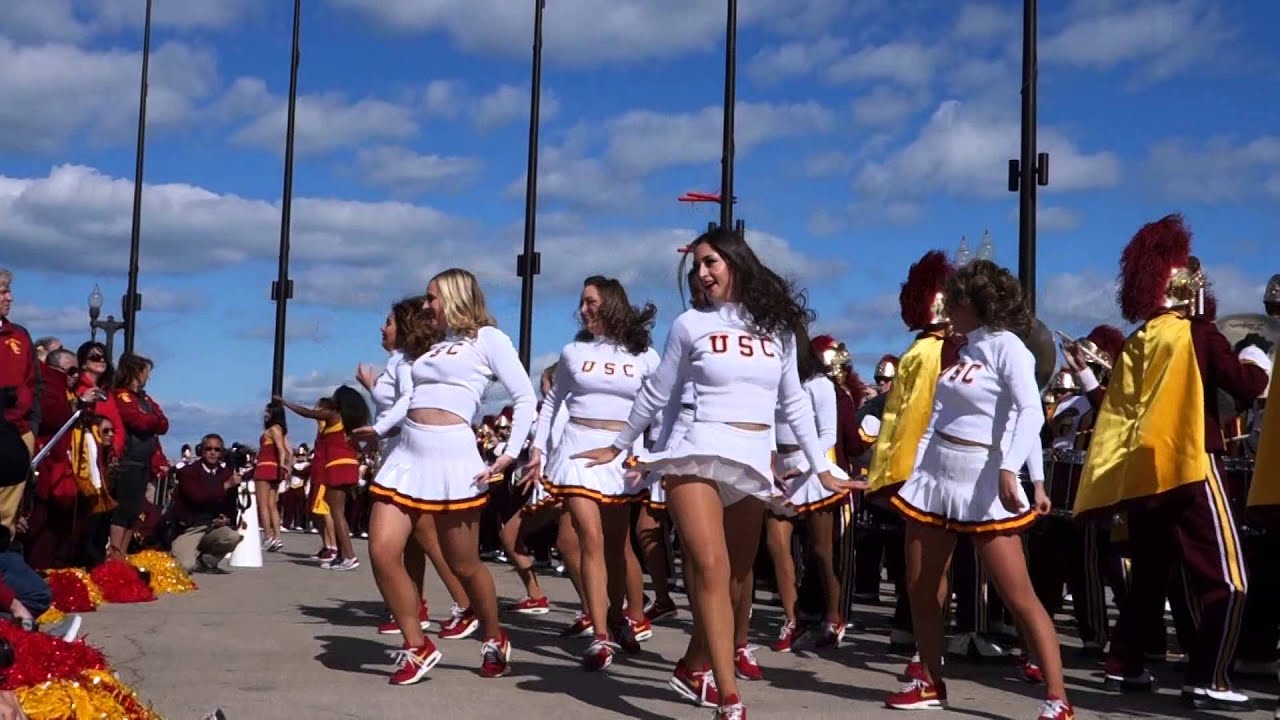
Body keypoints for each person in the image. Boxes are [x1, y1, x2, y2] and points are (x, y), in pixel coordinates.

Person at [576, 228, 854, 719]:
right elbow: (658, 392)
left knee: (735, 581)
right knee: (711, 568)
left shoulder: (777, 331)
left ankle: (692, 665)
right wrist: (620, 446)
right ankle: (728, 696)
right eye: (697, 266)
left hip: (750, 461)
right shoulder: (689, 325)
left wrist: (822, 466)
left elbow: (793, 402)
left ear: (737, 262)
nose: (702, 273)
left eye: (711, 262)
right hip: (696, 452)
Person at [1073, 215, 1269, 711]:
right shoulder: (1199, 334)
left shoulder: (1138, 340)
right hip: (1192, 462)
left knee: (1151, 575)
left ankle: (1126, 665)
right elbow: (1246, 386)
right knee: (1229, 578)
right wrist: (1255, 357)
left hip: (1146, 473)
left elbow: (1117, 412)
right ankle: (1209, 677)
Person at [885, 259, 1071, 720]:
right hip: (935, 477)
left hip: (983, 479)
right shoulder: (961, 350)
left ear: (972, 302)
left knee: (1018, 596)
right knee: (921, 588)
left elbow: (1029, 413)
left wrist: (1016, 473)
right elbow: (936, 419)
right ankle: (930, 681)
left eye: (954, 300)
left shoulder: (1009, 347)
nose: (947, 307)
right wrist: (915, 476)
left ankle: (1058, 698)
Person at [354, 268, 536, 685]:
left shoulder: (488, 339)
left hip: (454, 459)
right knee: (382, 551)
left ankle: (493, 636)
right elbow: (411, 399)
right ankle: (416, 645)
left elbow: (525, 397)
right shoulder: (431, 346)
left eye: (432, 297)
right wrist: (379, 429)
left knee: (464, 564)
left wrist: (510, 454)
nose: (426, 305)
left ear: (454, 297)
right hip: (407, 456)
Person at [523, 276, 660, 670]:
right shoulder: (573, 352)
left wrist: (654, 457)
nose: (583, 310)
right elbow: (553, 402)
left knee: (617, 545)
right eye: (582, 302)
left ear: (612, 304)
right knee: (590, 538)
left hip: (621, 455)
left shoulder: (645, 356)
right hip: (577, 451)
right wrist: (538, 448)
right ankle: (600, 635)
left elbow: (660, 409)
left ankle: (617, 617)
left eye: (591, 302)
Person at [356, 295, 471, 637]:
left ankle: (465, 605)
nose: (382, 328)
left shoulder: (407, 364)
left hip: (406, 454)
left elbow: (409, 402)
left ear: (405, 326)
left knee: (426, 537)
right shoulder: (398, 362)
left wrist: (378, 428)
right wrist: (372, 389)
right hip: (396, 451)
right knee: (414, 542)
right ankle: (417, 605)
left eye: (389, 322)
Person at [765, 326, 858, 653]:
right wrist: (771, 463)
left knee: (821, 552)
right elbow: (767, 425)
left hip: (812, 472)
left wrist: (805, 465)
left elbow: (828, 434)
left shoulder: (820, 384)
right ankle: (793, 619)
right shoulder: (772, 381)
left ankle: (834, 616)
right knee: (777, 545)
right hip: (779, 472)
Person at [277, 389, 368, 571]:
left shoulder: (334, 414)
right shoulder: (351, 421)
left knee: (337, 514)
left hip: (336, 465)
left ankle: (349, 556)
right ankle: (341, 555)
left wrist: (285, 403)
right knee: (339, 513)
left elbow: (308, 413)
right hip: (349, 465)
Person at [109, 353, 168, 560]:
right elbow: (139, 422)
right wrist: (152, 420)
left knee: (133, 513)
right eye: (145, 372)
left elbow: (163, 423)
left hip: (144, 462)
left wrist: (152, 419)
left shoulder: (145, 399)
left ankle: (122, 556)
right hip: (129, 461)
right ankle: (115, 554)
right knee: (123, 512)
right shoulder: (122, 396)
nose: (147, 377)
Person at [165, 434, 244, 572]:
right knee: (185, 566)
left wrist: (226, 518)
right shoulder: (188, 472)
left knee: (232, 537)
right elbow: (198, 497)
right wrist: (225, 485)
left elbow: (231, 505)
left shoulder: (226, 473)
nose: (212, 452)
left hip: (212, 527)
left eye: (217, 449)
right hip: (190, 527)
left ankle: (206, 561)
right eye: (208, 449)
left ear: (221, 453)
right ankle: (177, 551)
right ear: (201, 450)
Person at [0, 268, 38, 531]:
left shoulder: (19, 335)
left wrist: (32, 425)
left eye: (9, 291)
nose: (9, 298)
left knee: (7, 516)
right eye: (3, 292)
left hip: (18, 430)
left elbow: (34, 382)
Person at [253, 402, 290, 552]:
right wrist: (286, 467)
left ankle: (268, 536)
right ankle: (277, 537)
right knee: (272, 505)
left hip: (265, 467)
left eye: (268, 411)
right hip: (274, 469)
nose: (265, 414)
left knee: (262, 504)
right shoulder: (281, 430)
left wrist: (282, 465)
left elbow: (282, 450)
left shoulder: (273, 429)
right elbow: (289, 451)